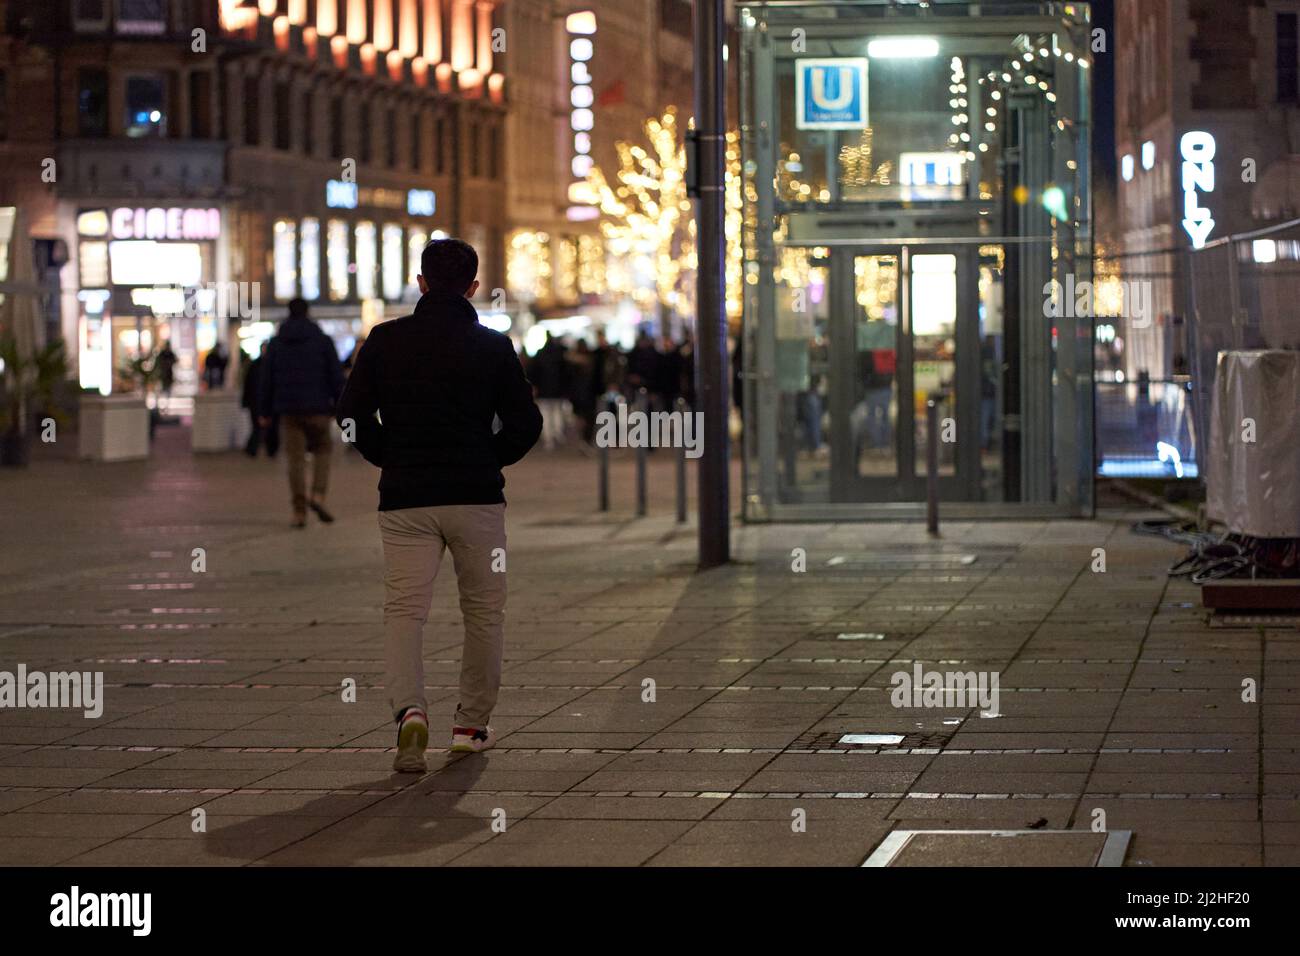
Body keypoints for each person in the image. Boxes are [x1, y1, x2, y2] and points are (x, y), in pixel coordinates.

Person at [337, 238, 542, 771]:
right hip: (476, 498)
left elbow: (352, 416)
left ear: (421, 282)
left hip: (406, 499)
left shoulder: (384, 341)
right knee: (483, 612)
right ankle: (471, 726)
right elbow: (527, 424)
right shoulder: (493, 347)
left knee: (405, 610)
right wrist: (485, 459)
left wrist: (391, 457)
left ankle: (409, 713)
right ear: (473, 288)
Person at [258, 299, 344, 527]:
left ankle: (299, 512)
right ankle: (317, 495)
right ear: (308, 313)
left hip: (289, 410)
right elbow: (336, 375)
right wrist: (339, 405)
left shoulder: (276, 343)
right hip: (318, 408)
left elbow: (267, 379)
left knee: (295, 460)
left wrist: (264, 411)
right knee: (323, 450)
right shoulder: (322, 341)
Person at [528, 331, 570, 450]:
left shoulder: (540, 355)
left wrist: (534, 386)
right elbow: (566, 374)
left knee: (545, 414)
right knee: (557, 411)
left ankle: (548, 438)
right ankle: (557, 433)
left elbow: (532, 373)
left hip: (543, 391)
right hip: (557, 391)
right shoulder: (559, 356)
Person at [241, 341, 278, 458]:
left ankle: (270, 450)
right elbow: (248, 384)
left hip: (269, 401)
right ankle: (253, 449)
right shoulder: (256, 365)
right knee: (257, 427)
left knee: (271, 428)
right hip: (256, 401)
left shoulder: (271, 365)